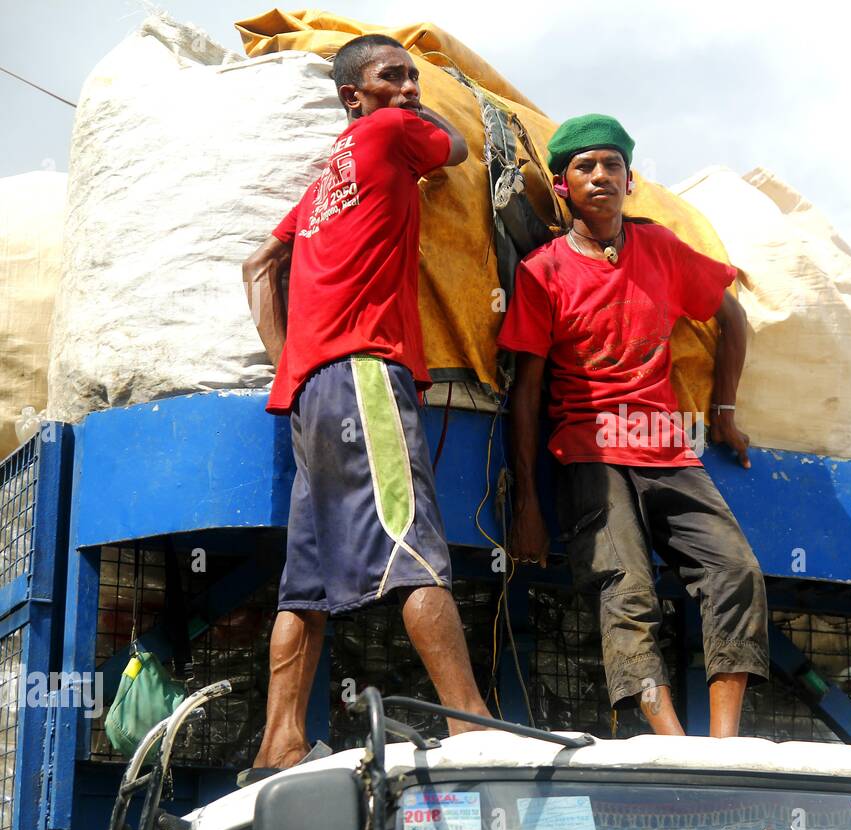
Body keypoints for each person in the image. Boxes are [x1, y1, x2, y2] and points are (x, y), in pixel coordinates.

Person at [240, 34, 491, 783]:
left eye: (415, 77)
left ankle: (278, 743)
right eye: (393, 76)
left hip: (309, 396)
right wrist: (434, 111)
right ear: (354, 97)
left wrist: (290, 360)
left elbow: (259, 265)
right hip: (366, 376)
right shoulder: (388, 132)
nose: (410, 88)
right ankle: (470, 721)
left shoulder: (318, 190)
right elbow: (452, 149)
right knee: (414, 552)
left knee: (305, 586)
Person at [499, 114, 769, 738]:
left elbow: (732, 318)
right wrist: (529, 505)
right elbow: (527, 393)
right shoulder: (542, 272)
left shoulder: (662, 249)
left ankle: (723, 746)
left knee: (736, 570)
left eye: (612, 165)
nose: (601, 176)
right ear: (563, 185)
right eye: (585, 167)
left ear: (630, 178)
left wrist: (724, 415)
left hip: (667, 448)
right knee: (629, 587)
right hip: (590, 449)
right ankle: (673, 742)